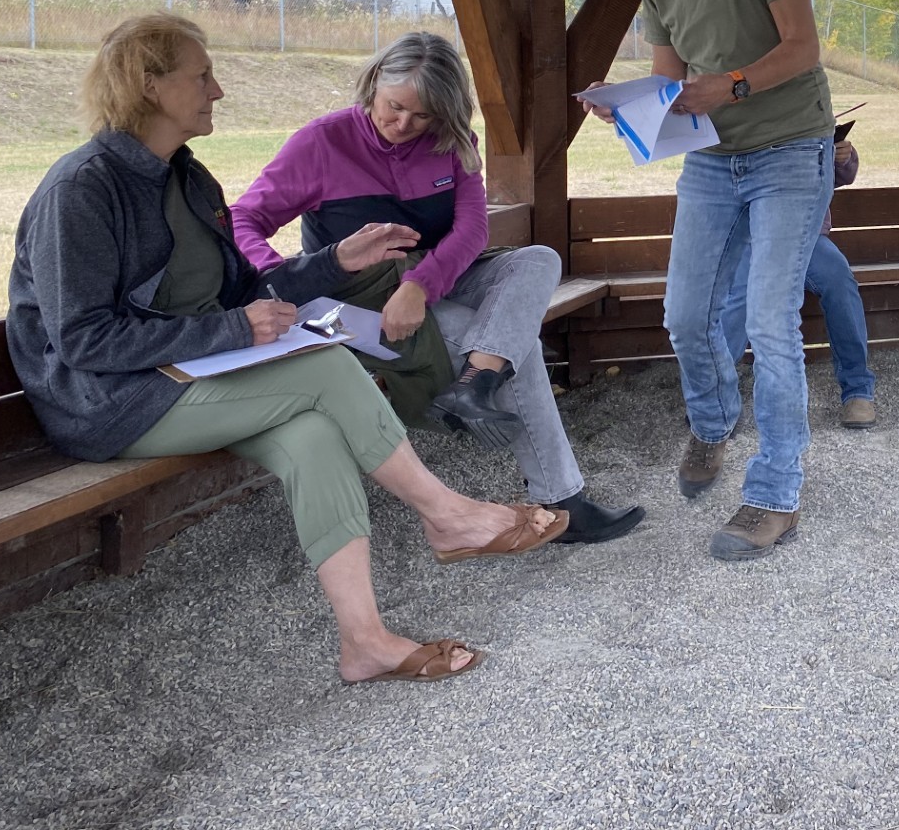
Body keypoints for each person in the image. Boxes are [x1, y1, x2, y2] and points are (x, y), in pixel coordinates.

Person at [6, 14, 567, 684]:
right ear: (150, 85)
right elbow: (82, 340)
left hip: (190, 375)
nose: (218, 90)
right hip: (112, 399)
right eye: (202, 75)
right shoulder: (84, 188)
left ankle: (366, 643)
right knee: (324, 364)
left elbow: (247, 284)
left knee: (311, 437)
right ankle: (447, 517)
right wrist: (235, 330)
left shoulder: (186, 179)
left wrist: (336, 259)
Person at [232, 32, 644, 546]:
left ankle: (473, 386)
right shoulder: (321, 142)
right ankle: (561, 500)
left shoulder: (453, 141)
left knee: (539, 260)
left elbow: (472, 230)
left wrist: (420, 286)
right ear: (373, 83)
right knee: (514, 346)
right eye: (394, 107)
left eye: (422, 116)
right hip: (347, 301)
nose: (403, 125)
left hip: (429, 279)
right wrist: (284, 279)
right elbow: (242, 219)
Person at [582, 0, 834, 562]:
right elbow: (668, 87)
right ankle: (714, 424)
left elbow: (803, 48)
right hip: (713, 163)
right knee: (685, 314)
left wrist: (730, 86)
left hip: (790, 150)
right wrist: (626, 108)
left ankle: (775, 491)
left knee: (767, 321)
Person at [716, 136, 876, 430]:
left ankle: (858, 390)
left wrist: (843, 159)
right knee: (738, 296)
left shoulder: (809, 113)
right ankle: (715, 401)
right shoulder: (742, 118)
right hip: (750, 236)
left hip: (806, 235)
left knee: (839, 280)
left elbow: (837, 177)